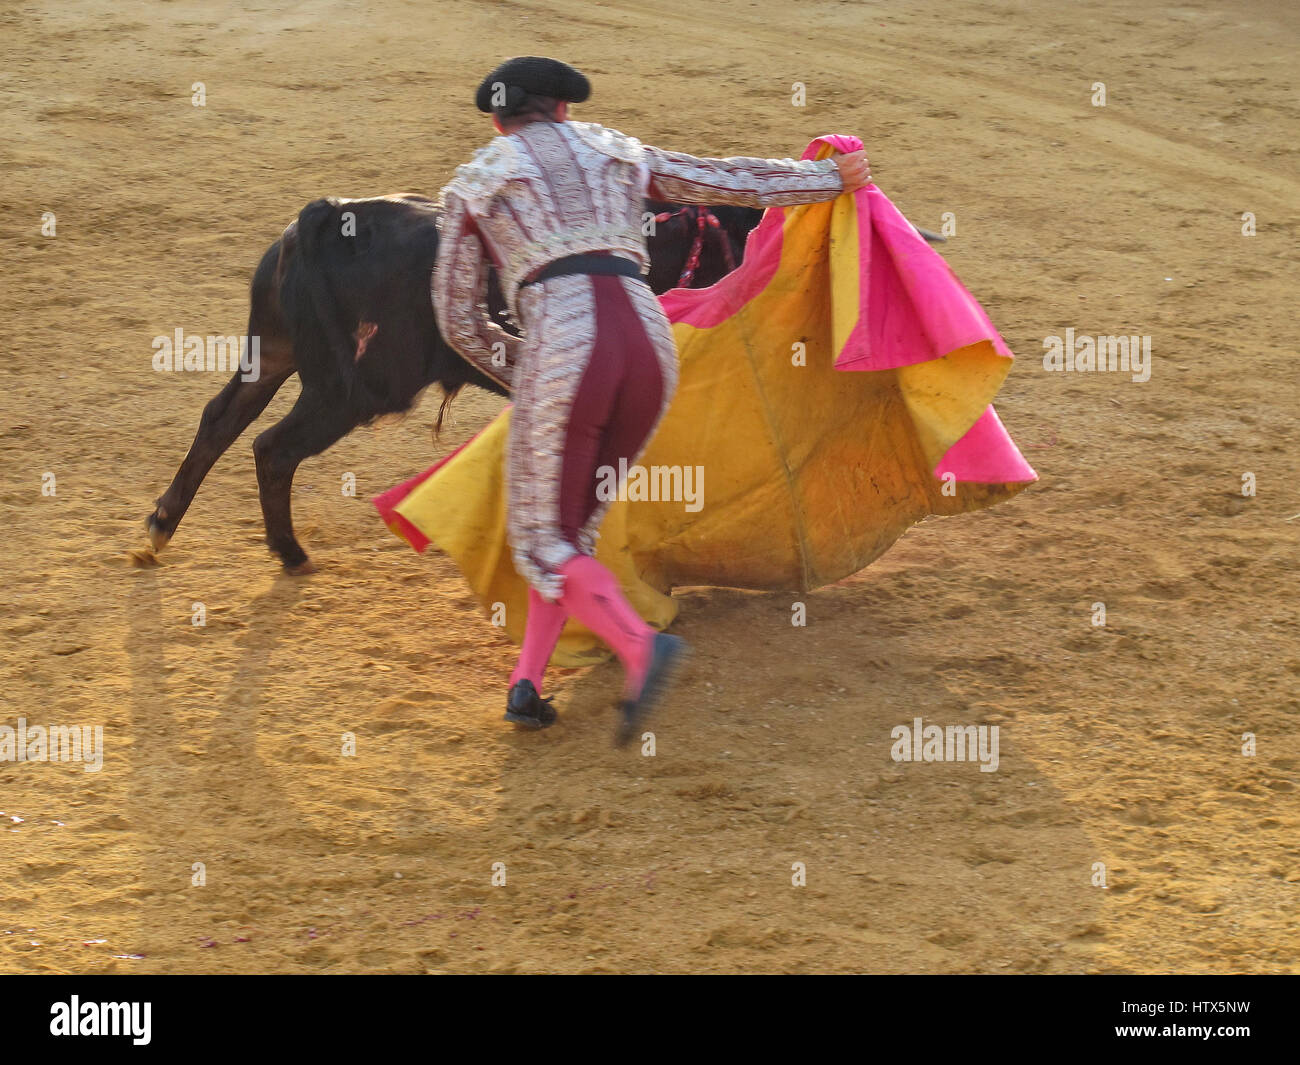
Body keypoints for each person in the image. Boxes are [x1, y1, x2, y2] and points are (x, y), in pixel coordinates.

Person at [431, 56, 872, 744]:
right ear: (563, 110)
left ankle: (639, 646)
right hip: (648, 341)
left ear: (497, 119)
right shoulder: (615, 150)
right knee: (572, 529)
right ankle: (527, 683)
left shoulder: (475, 184)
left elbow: (457, 319)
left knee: (543, 538)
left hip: (568, 344)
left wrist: (527, 370)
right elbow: (724, 178)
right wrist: (826, 177)